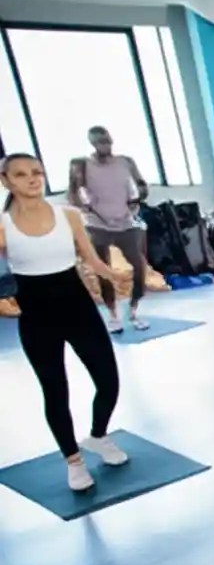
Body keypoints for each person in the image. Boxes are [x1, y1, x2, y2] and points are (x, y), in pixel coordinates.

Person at [0, 153, 130, 491]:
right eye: (22, 174)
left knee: (108, 380)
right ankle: (73, 460)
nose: (32, 179)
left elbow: (89, 258)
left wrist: (114, 275)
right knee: (55, 390)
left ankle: (98, 436)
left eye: (37, 173)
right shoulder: (3, 226)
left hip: (78, 308)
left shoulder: (68, 216)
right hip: (36, 315)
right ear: (6, 181)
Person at [67, 126, 150, 334]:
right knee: (103, 270)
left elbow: (141, 186)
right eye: (99, 142)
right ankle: (113, 314)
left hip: (125, 222)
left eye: (107, 141)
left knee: (139, 267)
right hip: (98, 224)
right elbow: (73, 193)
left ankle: (133, 310)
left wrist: (136, 198)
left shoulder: (125, 162)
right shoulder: (82, 165)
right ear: (92, 143)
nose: (104, 145)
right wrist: (83, 206)